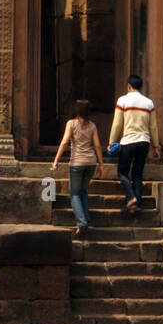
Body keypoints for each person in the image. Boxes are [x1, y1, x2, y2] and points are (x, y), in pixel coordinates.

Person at [108, 74, 161, 215]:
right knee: (137, 173)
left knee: (123, 171)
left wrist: (111, 142)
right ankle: (136, 202)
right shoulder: (149, 103)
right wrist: (156, 146)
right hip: (144, 142)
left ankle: (131, 198)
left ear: (129, 86)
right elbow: (153, 127)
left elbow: (117, 124)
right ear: (140, 87)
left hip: (129, 141)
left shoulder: (123, 101)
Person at [51, 99, 103, 236]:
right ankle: (85, 219)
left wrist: (56, 159)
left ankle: (82, 223)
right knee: (83, 191)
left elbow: (65, 142)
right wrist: (101, 164)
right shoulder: (92, 126)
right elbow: (97, 145)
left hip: (77, 163)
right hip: (91, 162)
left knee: (74, 193)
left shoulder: (71, 124)